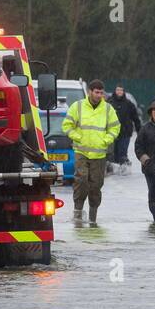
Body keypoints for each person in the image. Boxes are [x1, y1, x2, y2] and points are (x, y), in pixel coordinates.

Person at [62, 79, 120, 223]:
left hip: (99, 154)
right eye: (96, 92)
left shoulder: (108, 109)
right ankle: (78, 212)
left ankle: (93, 217)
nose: (99, 95)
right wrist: (77, 137)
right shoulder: (78, 107)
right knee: (81, 180)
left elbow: (115, 127)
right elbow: (67, 125)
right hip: (81, 152)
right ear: (90, 92)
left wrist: (106, 139)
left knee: (96, 186)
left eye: (101, 92)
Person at [107, 84, 141, 173]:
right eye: (117, 90)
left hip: (125, 132)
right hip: (111, 132)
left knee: (122, 153)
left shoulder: (129, 104)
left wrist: (139, 131)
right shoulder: (109, 102)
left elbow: (135, 118)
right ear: (115, 91)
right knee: (112, 153)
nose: (119, 92)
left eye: (121, 90)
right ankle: (112, 169)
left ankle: (124, 169)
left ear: (123, 92)